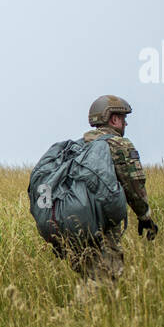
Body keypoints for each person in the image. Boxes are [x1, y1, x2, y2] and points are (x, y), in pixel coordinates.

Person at [68, 95, 158, 282]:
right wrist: (145, 216)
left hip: (77, 222)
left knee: (89, 273)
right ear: (113, 119)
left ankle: (81, 310)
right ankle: (91, 310)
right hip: (104, 223)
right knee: (105, 277)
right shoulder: (120, 145)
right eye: (123, 118)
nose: (125, 124)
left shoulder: (80, 145)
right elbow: (134, 184)